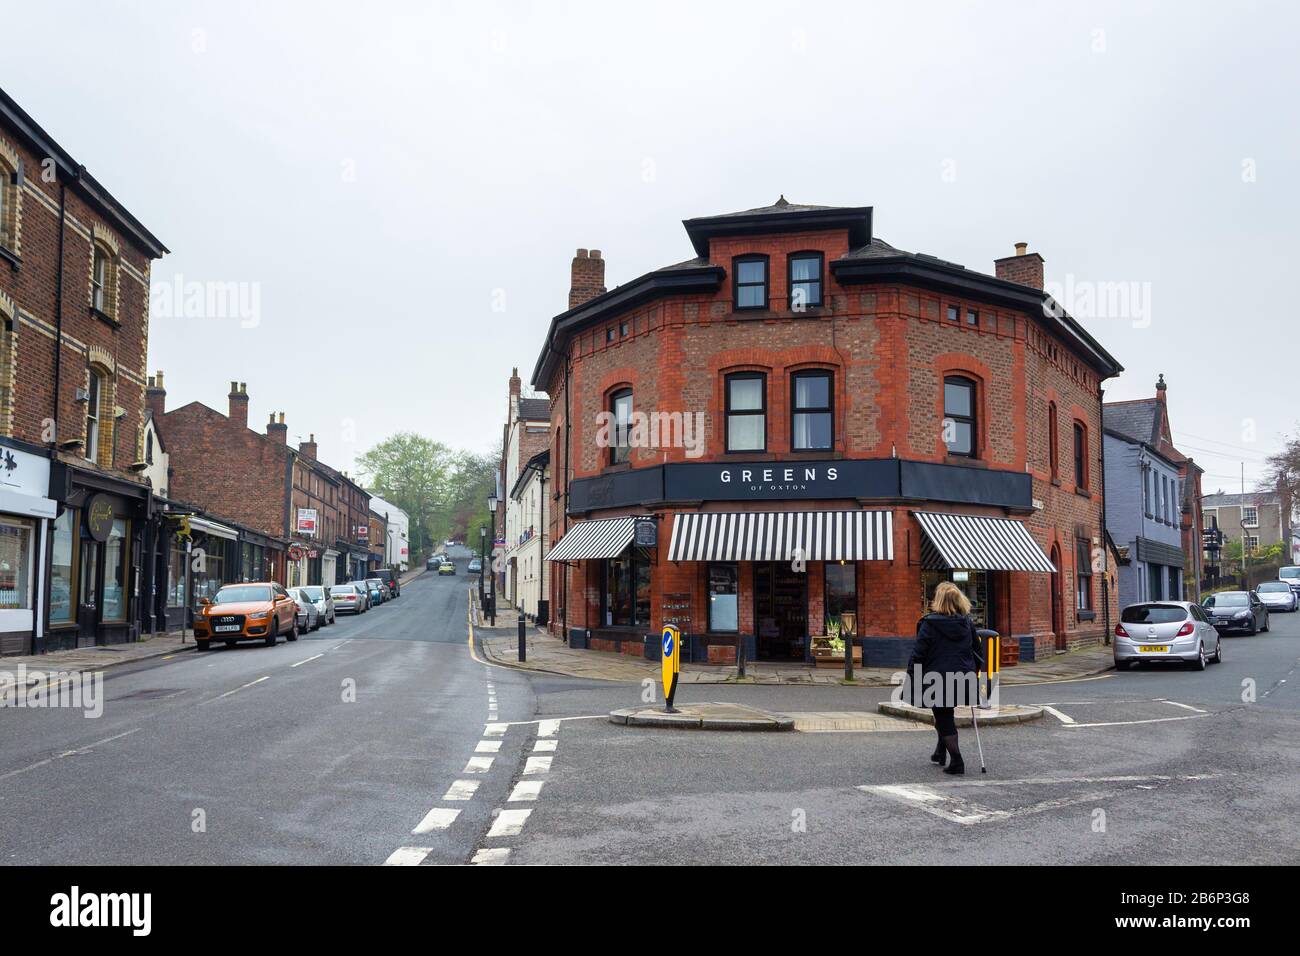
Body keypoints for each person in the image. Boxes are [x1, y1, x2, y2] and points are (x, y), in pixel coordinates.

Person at [908, 581, 985, 774]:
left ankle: (957, 761)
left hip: (937, 677)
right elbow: (977, 651)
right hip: (962, 675)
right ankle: (940, 751)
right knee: (944, 713)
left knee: (943, 715)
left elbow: (919, 653)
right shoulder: (967, 623)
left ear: (939, 600)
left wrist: (912, 675)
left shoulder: (929, 623)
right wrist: (973, 673)